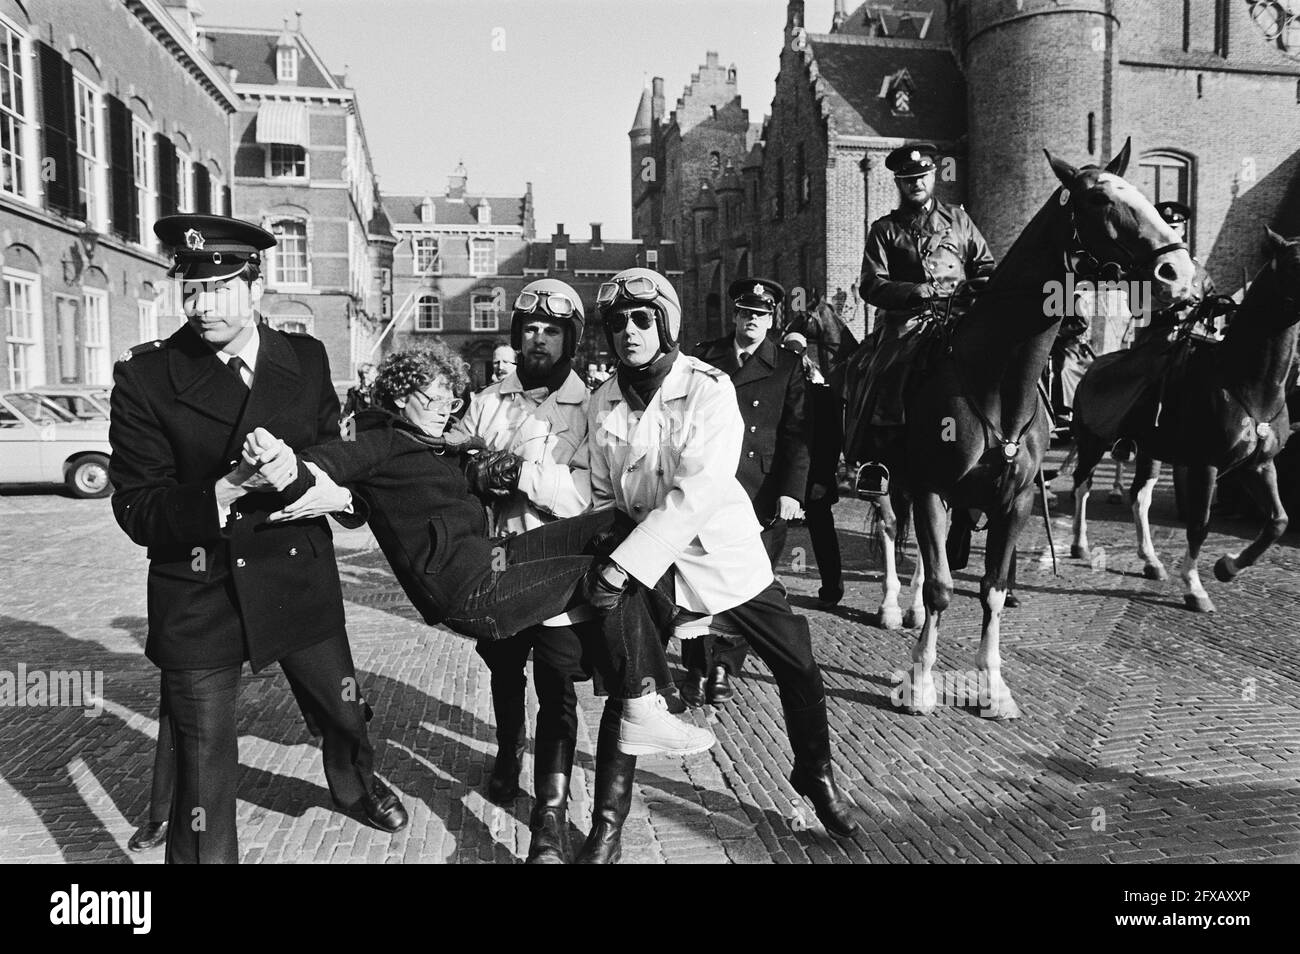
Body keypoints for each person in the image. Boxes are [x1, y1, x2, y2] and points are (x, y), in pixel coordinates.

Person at [108, 213, 408, 864]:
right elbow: (136, 505)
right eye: (190, 289)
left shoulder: (304, 357)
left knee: (344, 708)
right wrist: (219, 495)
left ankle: (356, 783)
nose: (202, 305)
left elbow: (337, 450)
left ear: (256, 286)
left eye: (218, 288)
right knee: (203, 765)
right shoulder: (146, 379)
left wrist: (300, 473)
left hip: (293, 572)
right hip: (199, 591)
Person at [258, 344, 714, 762]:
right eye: (431, 398)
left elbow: (455, 466)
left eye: (450, 400)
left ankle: (670, 620)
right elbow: (317, 466)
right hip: (469, 591)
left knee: (616, 524)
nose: (443, 411)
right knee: (607, 572)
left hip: (494, 555)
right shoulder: (379, 438)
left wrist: (480, 462)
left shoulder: (432, 443)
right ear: (400, 397)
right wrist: (286, 469)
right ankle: (639, 704)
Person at [573, 267, 861, 862]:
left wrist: (625, 564)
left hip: (718, 554)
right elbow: (602, 493)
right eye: (618, 321)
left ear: (667, 324)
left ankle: (815, 772)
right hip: (645, 563)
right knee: (632, 693)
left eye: (642, 319)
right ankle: (607, 824)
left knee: (798, 663)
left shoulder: (708, 386)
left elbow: (699, 489)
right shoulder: (601, 401)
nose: (629, 331)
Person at [446, 278, 597, 863]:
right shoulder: (488, 402)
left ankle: (549, 817)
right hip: (500, 563)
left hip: (558, 569)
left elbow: (586, 496)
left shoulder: (591, 407)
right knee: (503, 666)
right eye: (530, 329)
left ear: (571, 338)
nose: (539, 340)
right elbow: (453, 469)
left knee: (557, 684)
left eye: (552, 331)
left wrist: (518, 472)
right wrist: (474, 475)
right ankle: (509, 750)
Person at [685, 278, 809, 706]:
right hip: (707, 486)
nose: (752, 321)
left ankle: (722, 667)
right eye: (745, 313)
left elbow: (797, 435)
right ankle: (698, 666)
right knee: (697, 576)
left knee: (746, 584)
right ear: (735, 316)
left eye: (761, 315)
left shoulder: (788, 366)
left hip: (759, 493)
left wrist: (792, 492)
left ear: (771, 320)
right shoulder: (704, 358)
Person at [855, 142, 996, 495]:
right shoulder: (885, 229)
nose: (915, 183)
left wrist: (974, 288)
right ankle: (878, 457)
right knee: (885, 369)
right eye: (907, 179)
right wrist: (912, 292)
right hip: (909, 321)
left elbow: (985, 265)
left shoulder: (960, 220)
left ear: (933, 176)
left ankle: (1019, 437)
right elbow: (871, 284)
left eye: (921, 176)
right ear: (899, 183)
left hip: (961, 315)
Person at [783, 331, 845, 609]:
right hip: (814, 476)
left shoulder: (816, 390)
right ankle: (832, 587)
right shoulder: (822, 389)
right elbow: (834, 439)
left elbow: (833, 437)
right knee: (822, 533)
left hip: (803, 475)